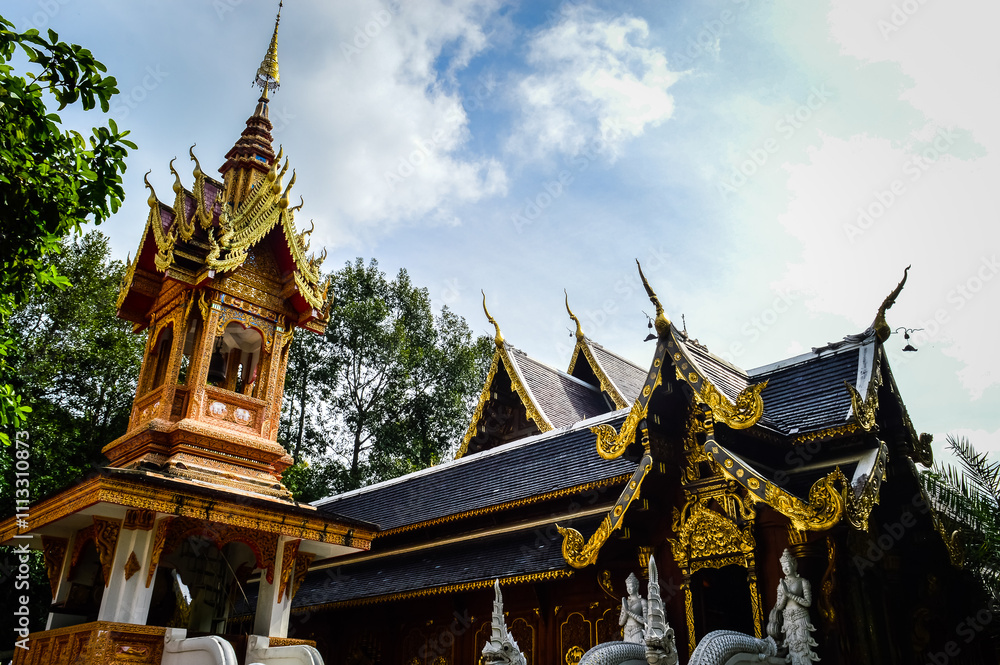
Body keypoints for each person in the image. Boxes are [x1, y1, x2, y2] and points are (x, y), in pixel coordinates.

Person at [774, 549, 820, 664]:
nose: (785, 568)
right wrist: (784, 595)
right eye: (783, 566)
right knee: (793, 648)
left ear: (794, 565)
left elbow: (808, 603)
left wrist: (789, 594)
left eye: (787, 565)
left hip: (801, 618)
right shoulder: (781, 585)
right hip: (788, 619)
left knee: (803, 646)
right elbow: (779, 607)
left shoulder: (802, 582)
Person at [619, 572, 647, 644]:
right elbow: (620, 623)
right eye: (627, 587)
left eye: (630, 586)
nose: (628, 589)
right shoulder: (625, 602)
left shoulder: (642, 602)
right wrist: (625, 612)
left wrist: (629, 612)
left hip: (637, 631)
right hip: (626, 632)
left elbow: (645, 621)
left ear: (636, 586)